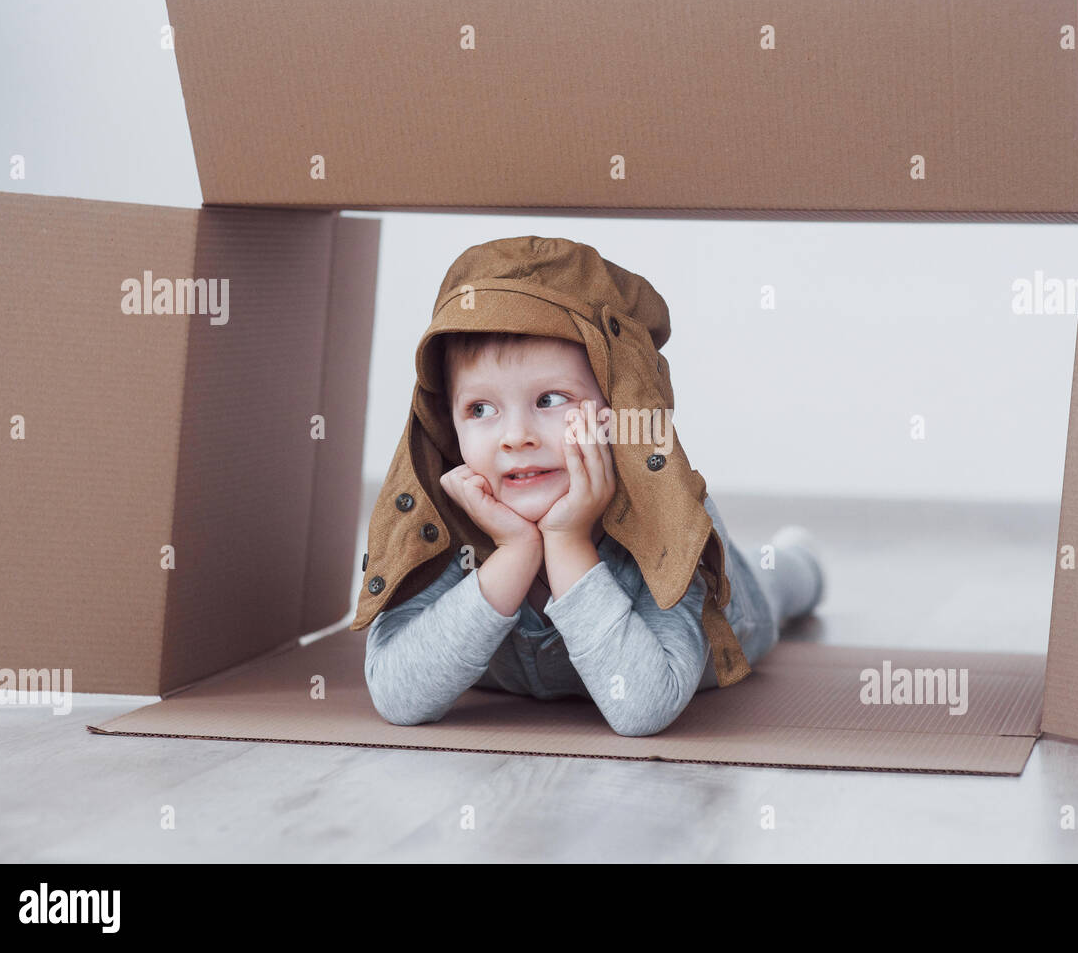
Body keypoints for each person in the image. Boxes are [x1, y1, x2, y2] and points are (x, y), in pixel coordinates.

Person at [351, 236, 825, 736]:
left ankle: (800, 561)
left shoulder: (666, 522)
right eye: (481, 409)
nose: (516, 437)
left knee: (772, 582)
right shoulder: (442, 522)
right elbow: (397, 696)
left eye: (550, 399)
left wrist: (567, 541)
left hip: (735, 611)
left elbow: (643, 708)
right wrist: (514, 553)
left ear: (617, 411)